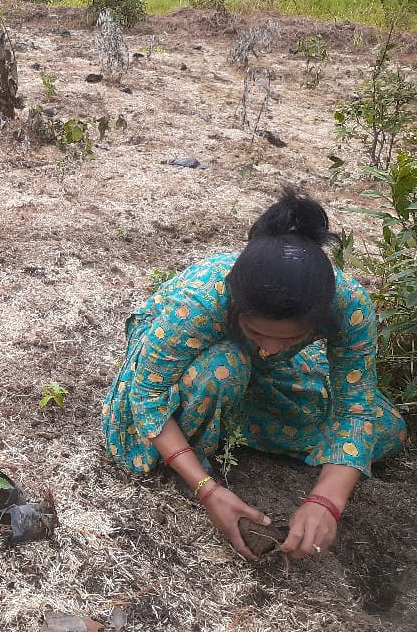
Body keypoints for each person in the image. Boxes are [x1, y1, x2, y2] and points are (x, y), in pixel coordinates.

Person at [102, 188, 407, 560]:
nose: (271, 347)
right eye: (257, 333)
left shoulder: (350, 306)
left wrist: (326, 500)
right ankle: (196, 447)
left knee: (388, 428)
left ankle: (231, 416)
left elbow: (355, 410)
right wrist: (207, 490)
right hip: (198, 364)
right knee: (224, 367)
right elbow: (147, 394)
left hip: (258, 371)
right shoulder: (201, 301)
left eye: (292, 338)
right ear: (235, 310)